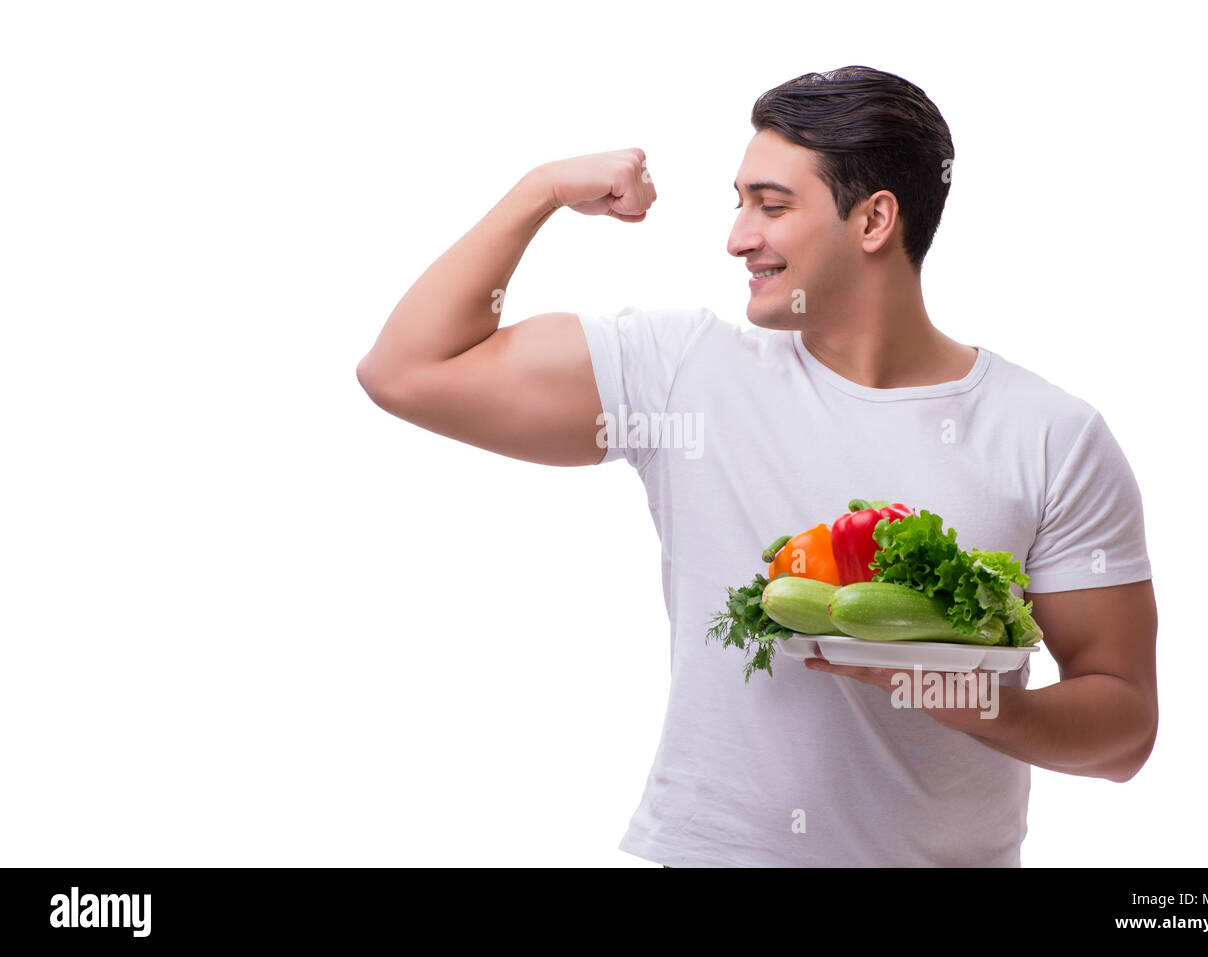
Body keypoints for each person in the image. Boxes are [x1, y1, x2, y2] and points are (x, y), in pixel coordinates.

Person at [356, 65, 1158, 867]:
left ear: (875, 219)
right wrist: (540, 191)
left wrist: (960, 696)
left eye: (771, 206)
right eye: (739, 203)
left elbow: (1122, 725)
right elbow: (406, 372)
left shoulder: (1050, 434)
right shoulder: (680, 374)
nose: (738, 237)